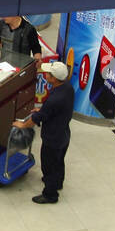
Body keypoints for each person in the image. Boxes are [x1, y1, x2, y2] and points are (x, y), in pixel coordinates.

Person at [14, 60, 72, 204]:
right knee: (59, 161)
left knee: (49, 165)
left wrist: (22, 125)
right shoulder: (67, 88)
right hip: (64, 133)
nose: (45, 75)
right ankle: (58, 183)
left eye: (48, 74)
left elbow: (36, 119)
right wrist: (44, 110)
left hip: (52, 138)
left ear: (54, 78)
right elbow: (55, 109)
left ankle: (50, 194)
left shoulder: (55, 99)